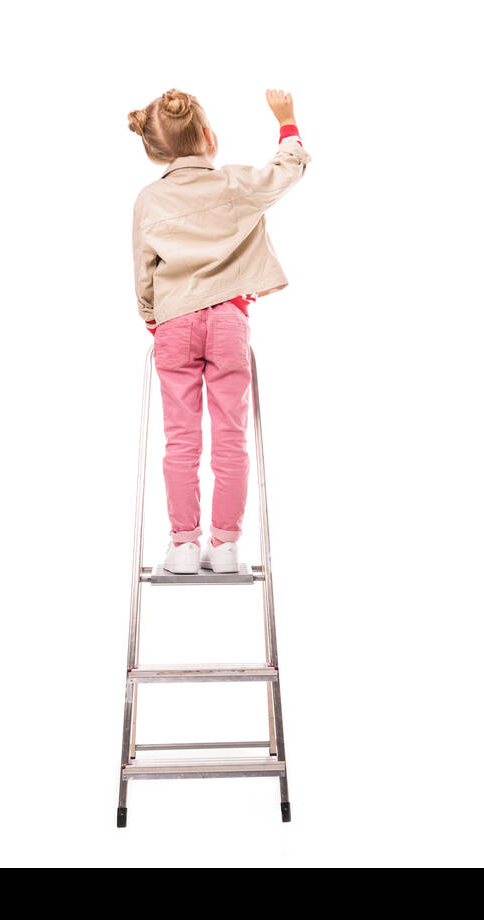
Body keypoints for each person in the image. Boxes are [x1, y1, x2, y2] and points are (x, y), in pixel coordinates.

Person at [128, 88, 309, 573]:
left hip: (174, 323)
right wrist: (287, 122)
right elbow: (286, 169)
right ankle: (226, 546)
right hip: (230, 319)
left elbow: (143, 269)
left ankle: (183, 545)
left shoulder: (149, 199)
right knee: (230, 435)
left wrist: (152, 314)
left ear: (154, 151)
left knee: (181, 438)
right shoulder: (234, 184)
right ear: (209, 138)